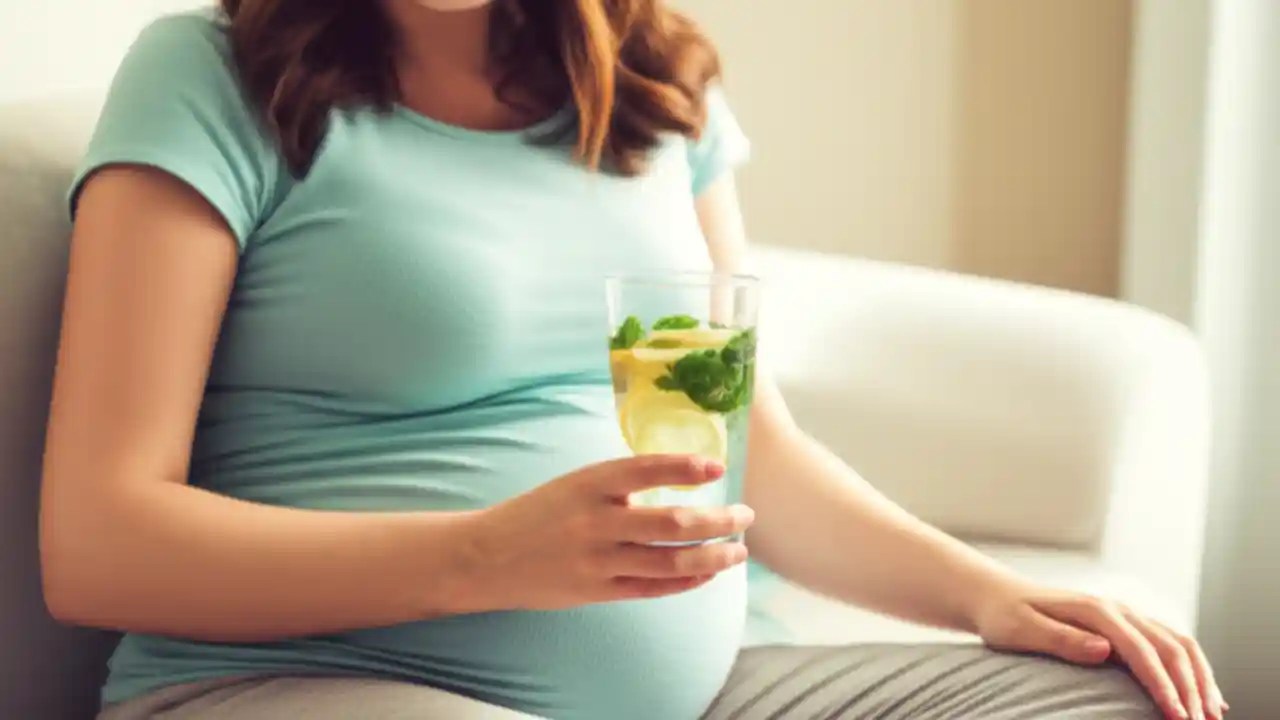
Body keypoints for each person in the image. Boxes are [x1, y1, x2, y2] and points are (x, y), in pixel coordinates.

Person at [40, 1, 1223, 719]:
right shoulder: (210, 77)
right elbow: (96, 546)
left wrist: (982, 594)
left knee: (1108, 696)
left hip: (703, 691)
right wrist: (484, 555)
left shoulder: (657, 97)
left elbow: (747, 443)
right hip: (294, 690)